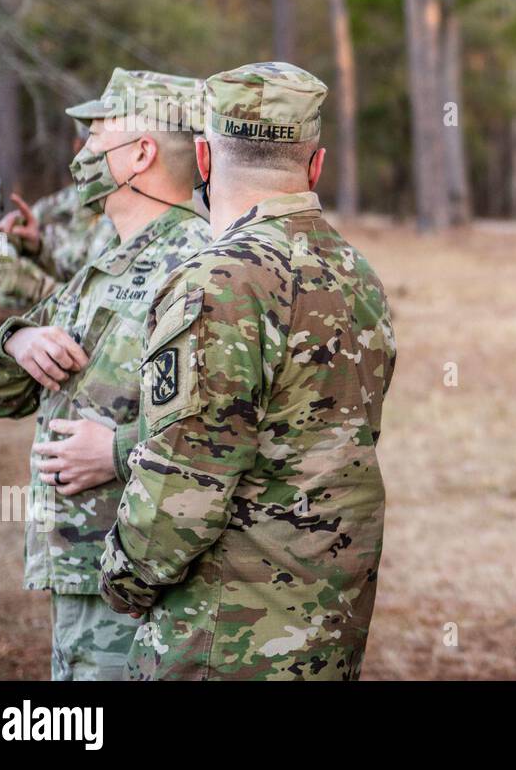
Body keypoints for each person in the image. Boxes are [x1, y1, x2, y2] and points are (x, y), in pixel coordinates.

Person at [99, 62, 397, 681]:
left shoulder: (217, 282)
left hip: (224, 638)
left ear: (204, 159)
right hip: (330, 623)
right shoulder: (357, 272)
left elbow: (184, 480)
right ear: (316, 165)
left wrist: (122, 582)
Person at [0, 68, 211, 680]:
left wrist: (120, 453)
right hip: (81, 575)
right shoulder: (107, 265)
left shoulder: (204, 268)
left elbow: (228, 438)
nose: (83, 154)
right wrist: (16, 340)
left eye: (97, 136)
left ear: (141, 154)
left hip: (149, 579)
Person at [0, 120, 118, 311]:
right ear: (77, 146)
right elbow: (7, 295)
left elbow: (104, 309)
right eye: (87, 144)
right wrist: (26, 250)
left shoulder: (126, 215)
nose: (92, 155)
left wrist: (37, 287)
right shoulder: (49, 211)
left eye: (105, 147)